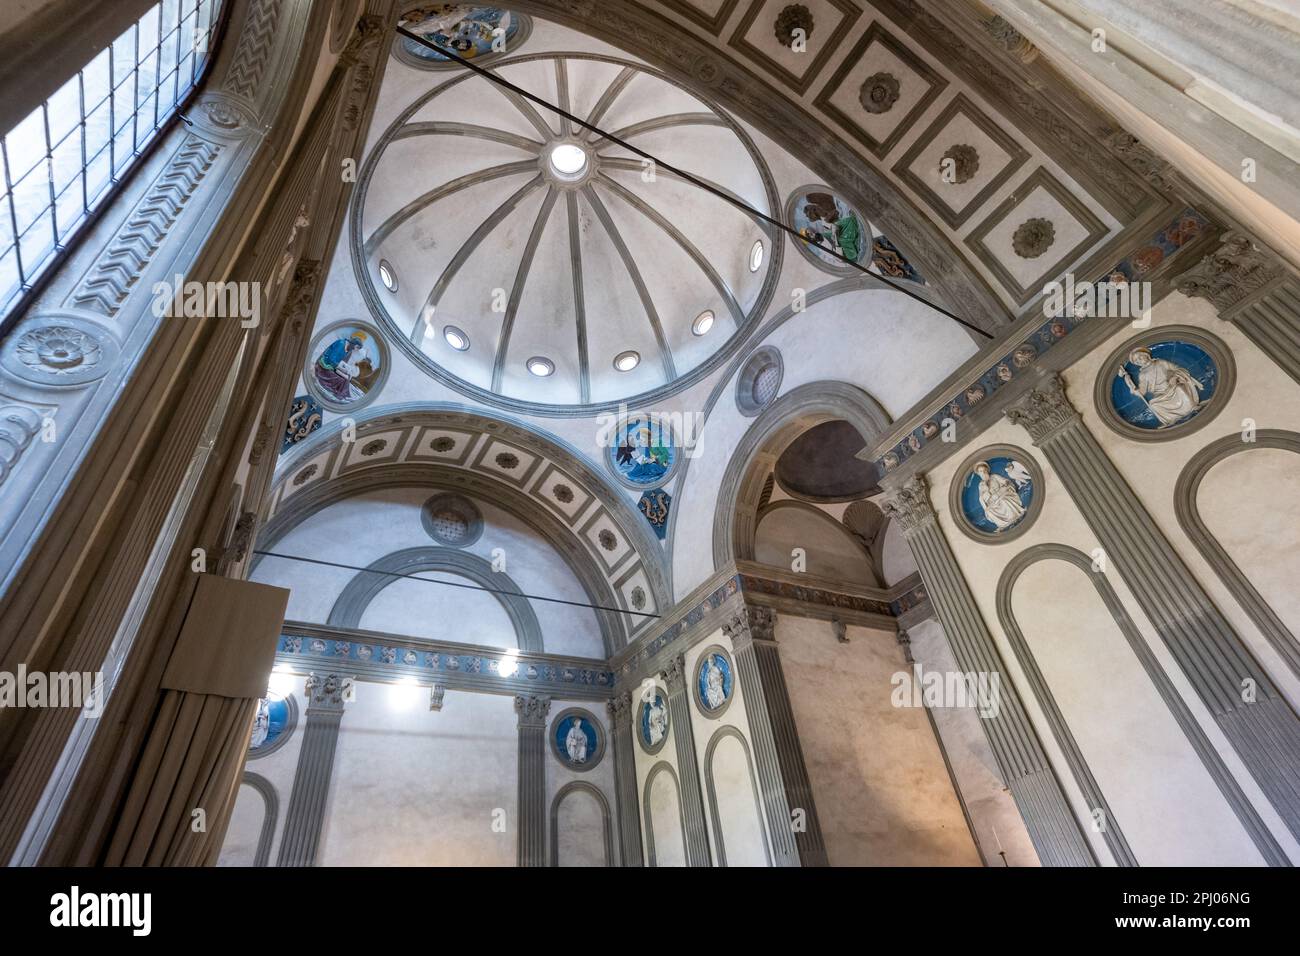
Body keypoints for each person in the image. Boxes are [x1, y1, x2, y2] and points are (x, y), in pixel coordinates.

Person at [1121, 347, 1202, 426]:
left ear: (1146, 355)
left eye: (1139, 357)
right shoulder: (1142, 374)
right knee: (1153, 404)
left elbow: (1176, 368)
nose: (1139, 360)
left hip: (1171, 386)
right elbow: (1142, 391)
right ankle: (1170, 419)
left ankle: (1192, 407)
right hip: (1160, 394)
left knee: (1179, 388)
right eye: (1136, 360)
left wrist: (1174, 377)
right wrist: (1130, 385)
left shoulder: (1160, 362)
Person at [973, 461, 1025, 531]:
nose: (983, 472)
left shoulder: (994, 476)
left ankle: (1014, 517)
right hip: (993, 501)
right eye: (981, 471)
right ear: (979, 474)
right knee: (989, 511)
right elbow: (982, 498)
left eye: (984, 470)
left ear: (987, 471)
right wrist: (986, 490)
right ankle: (1003, 524)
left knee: (1004, 501)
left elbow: (1005, 481)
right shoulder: (981, 485)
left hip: (1002, 494)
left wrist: (1006, 483)